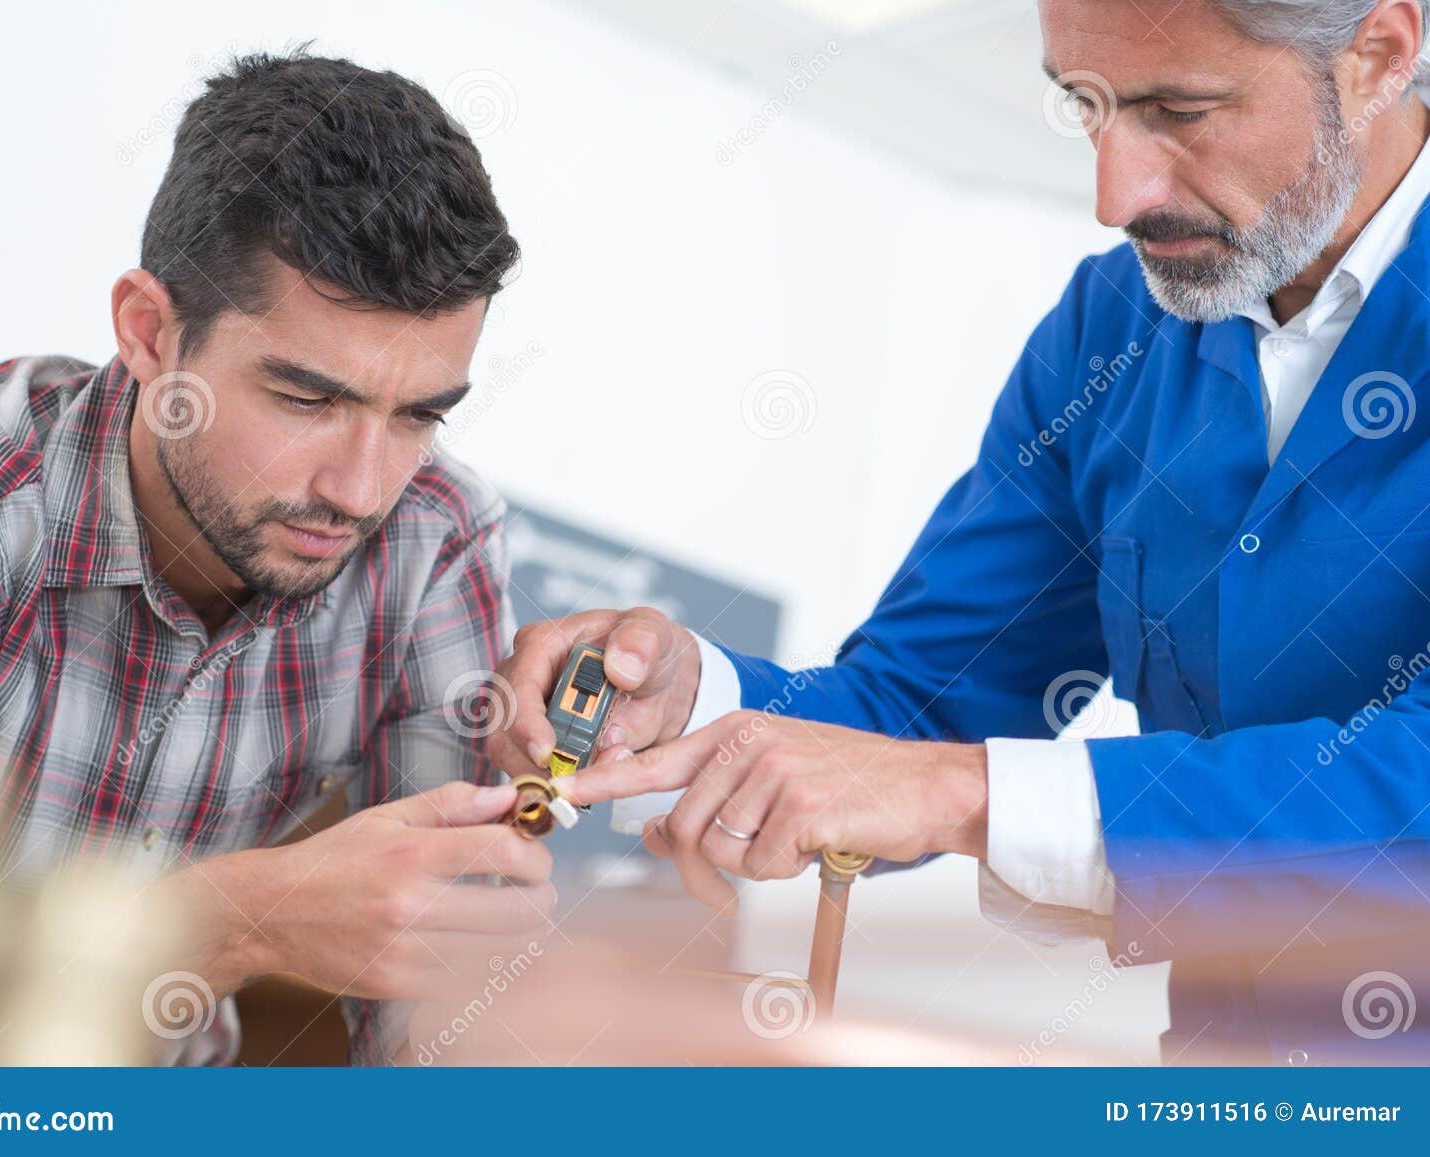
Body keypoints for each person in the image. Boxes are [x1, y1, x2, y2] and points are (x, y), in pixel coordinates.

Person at [493, 0, 1430, 1065]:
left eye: (1181, 111)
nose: (1113, 195)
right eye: (1085, 105)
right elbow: (918, 708)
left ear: (1376, 56)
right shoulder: (1113, 329)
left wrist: (962, 797)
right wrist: (693, 701)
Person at [0, 49, 553, 1066]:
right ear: (148, 332)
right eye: (306, 398)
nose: (359, 489)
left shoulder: (434, 538)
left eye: (417, 416)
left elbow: (444, 1012)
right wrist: (230, 919)